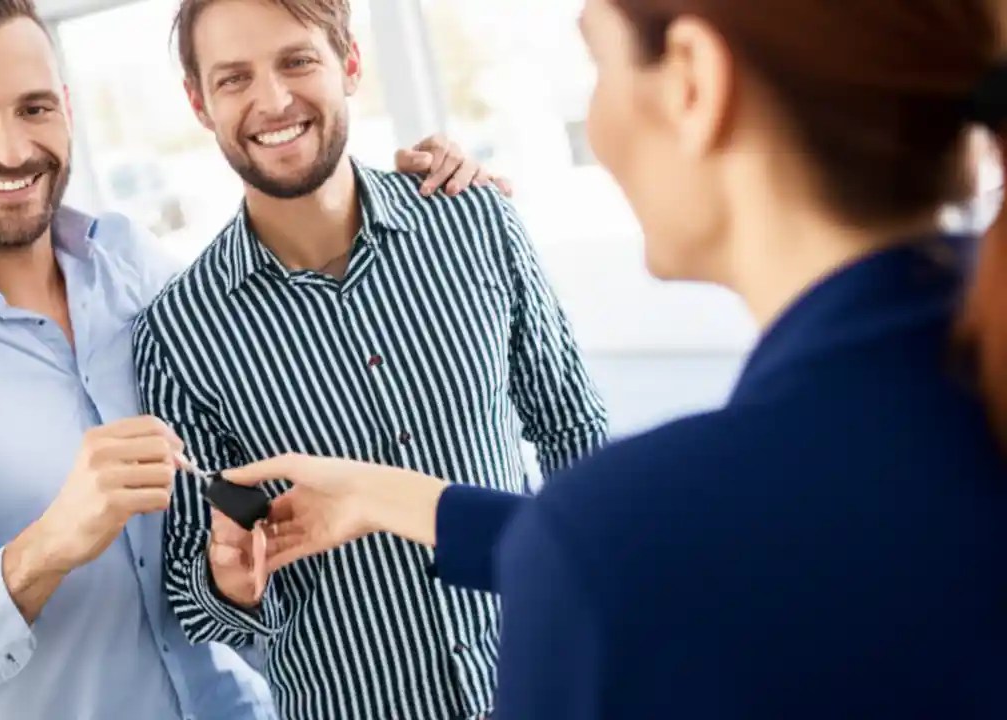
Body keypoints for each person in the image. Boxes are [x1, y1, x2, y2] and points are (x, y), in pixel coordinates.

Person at [223, 0, 1007, 717]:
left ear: (694, 82)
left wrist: (571, 538)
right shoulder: (948, 405)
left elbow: (640, 547)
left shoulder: (628, 535)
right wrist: (392, 497)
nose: (596, 126)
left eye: (598, 64)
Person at [0, 1, 500, 718]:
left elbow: (279, 315)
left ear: (65, 107)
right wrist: (46, 548)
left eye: (33, 109)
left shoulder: (130, 262)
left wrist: (415, 194)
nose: (10, 148)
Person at [133, 1, 607, 718]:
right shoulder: (178, 332)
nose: (273, 100)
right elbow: (197, 600)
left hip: (549, 683)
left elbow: (575, 431)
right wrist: (230, 584)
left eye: (297, 60)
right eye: (234, 79)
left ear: (349, 62)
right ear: (200, 104)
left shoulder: (475, 222)